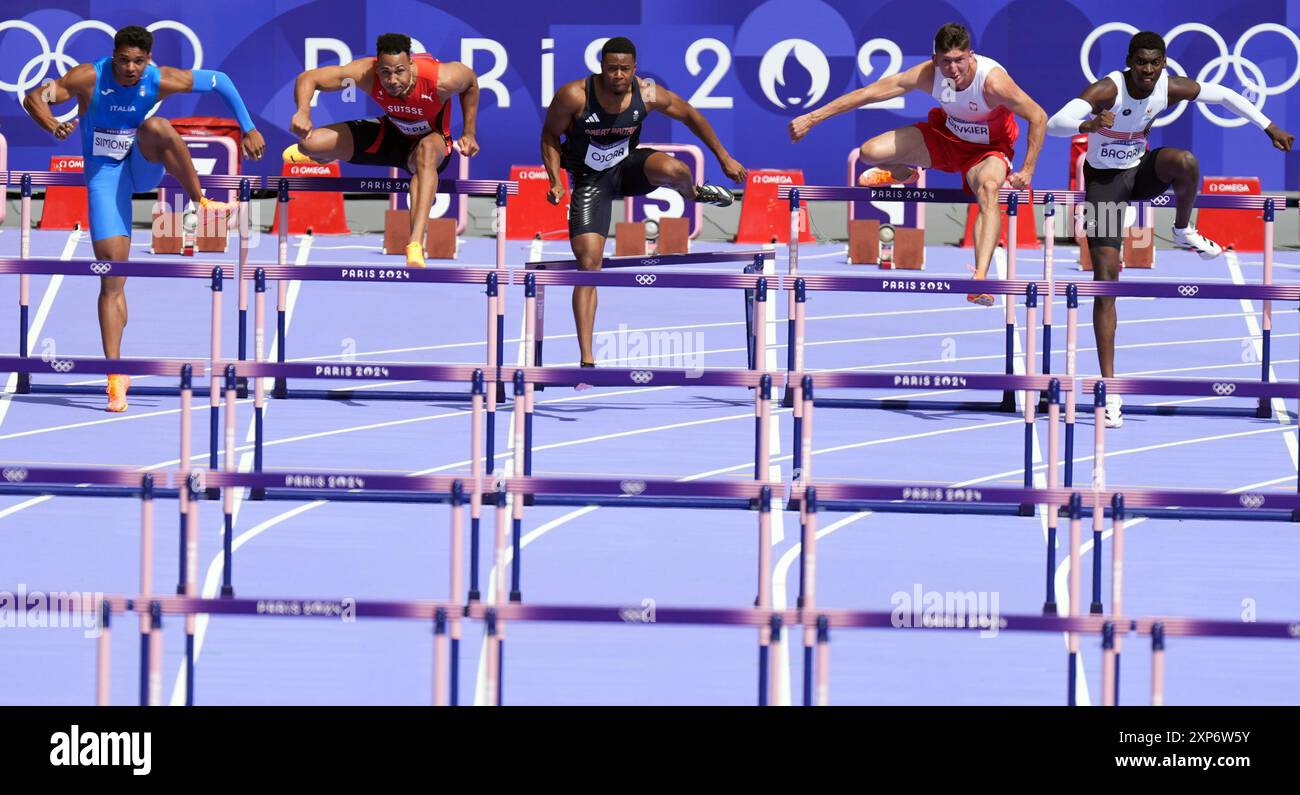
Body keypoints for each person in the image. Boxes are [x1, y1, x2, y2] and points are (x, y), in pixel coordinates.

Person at [1046, 30, 1294, 427]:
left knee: (1186, 162)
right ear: (1130, 61)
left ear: (1163, 63)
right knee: (1106, 282)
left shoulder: (1169, 86)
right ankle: (1110, 391)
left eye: (1154, 62)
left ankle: (1182, 229)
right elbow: (1055, 123)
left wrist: (1269, 127)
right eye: (1141, 62)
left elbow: (1226, 96)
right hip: (1105, 186)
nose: (1147, 69)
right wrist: (1090, 125)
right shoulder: (1108, 89)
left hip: (1140, 173)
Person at [22, 25, 265, 412]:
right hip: (105, 178)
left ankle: (200, 202)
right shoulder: (88, 76)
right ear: (113, 55)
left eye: (138, 62)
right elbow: (33, 97)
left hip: (143, 164)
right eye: (124, 61)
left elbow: (222, 81)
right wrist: (53, 124)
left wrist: (248, 127)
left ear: (148, 60)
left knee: (157, 127)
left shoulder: (160, 78)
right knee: (111, 281)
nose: (131, 69)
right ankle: (116, 375)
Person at [790, 22, 1047, 307]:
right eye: (946, 61)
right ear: (935, 58)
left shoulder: (992, 82)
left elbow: (1038, 116)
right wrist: (813, 118)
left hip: (988, 151)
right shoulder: (928, 75)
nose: (954, 69)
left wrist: (1027, 170)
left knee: (988, 188)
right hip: (945, 139)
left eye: (960, 60)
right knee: (869, 152)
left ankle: (981, 280)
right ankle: (904, 172)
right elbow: (868, 93)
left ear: (971, 55)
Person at [541, 36, 747, 368]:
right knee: (589, 264)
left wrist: (723, 157)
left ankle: (693, 193)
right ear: (601, 68)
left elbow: (690, 114)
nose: (618, 76)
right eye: (611, 69)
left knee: (676, 169)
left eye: (624, 69)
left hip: (627, 169)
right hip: (590, 181)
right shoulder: (574, 96)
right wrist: (555, 180)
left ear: (634, 69)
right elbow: (549, 136)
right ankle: (587, 359)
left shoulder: (647, 93)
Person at [289, 33, 480, 268]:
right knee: (309, 144)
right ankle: (322, 156)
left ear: (411, 64)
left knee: (426, 151)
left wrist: (469, 133)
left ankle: (415, 244)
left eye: (399, 71)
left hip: (431, 142)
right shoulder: (366, 72)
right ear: (377, 67)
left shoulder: (441, 79)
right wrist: (303, 112)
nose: (392, 79)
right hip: (390, 135)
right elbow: (308, 78)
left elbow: (470, 82)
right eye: (386, 72)